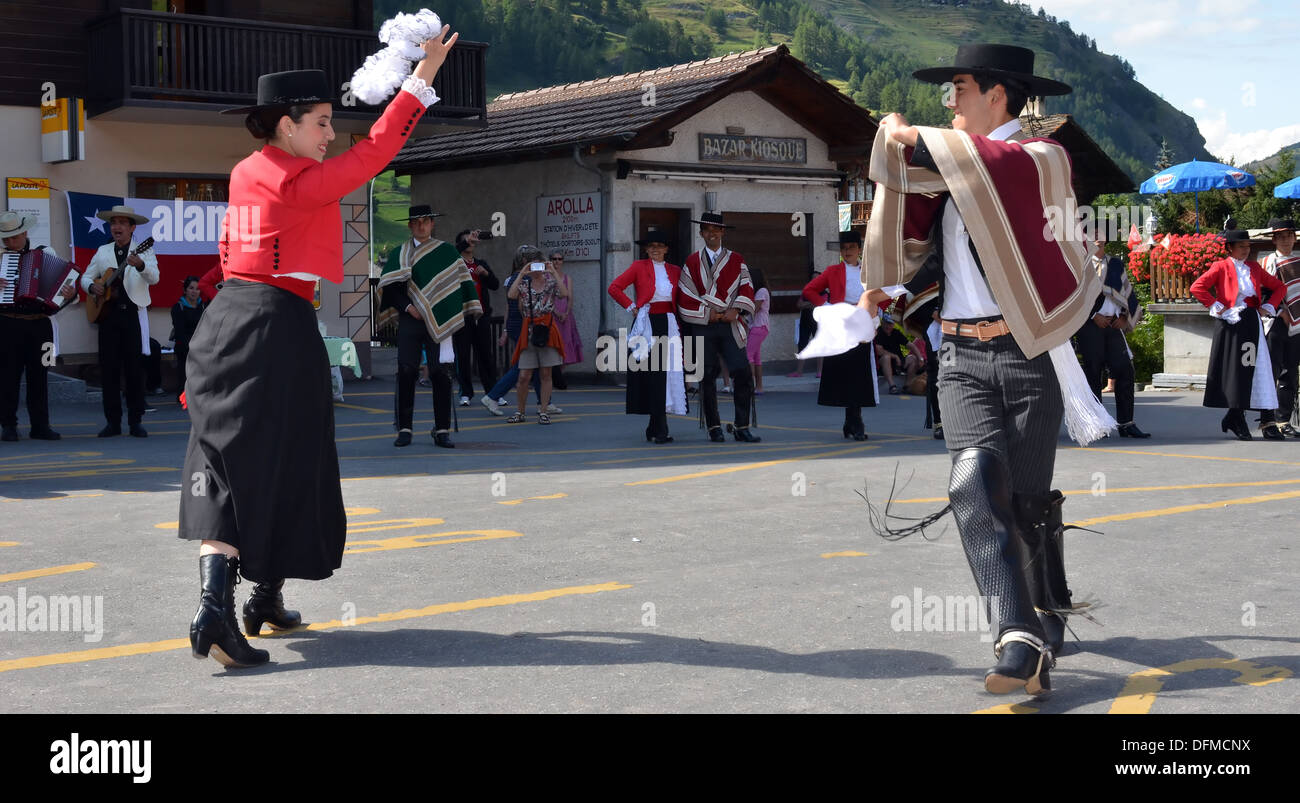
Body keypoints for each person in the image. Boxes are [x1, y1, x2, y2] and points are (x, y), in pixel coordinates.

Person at [181, 31, 459, 669]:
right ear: (287, 124)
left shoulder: (246, 172)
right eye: (323, 122)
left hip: (226, 320)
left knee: (226, 465)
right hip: (275, 323)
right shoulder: (297, 181)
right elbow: (380, 148)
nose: (332, 133)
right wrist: (423, 76)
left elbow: (228, 256)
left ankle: (239, 602)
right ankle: (239, 605)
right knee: (294, 459)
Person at [863, 44, 1109, 696]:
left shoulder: (1039, 160)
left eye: (961, 89)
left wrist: (916, 138)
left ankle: (1046, 602)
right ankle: (1018, 633)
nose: (951, 104)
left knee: (1023, 504)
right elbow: (910, 222)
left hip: (1031, 356)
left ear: (999, 95)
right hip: (961, 356)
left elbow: (996, 170)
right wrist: (882, 287)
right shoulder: (952, 169)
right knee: (974, 483)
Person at [377, 205, 480, 448]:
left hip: (441, 320)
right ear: (410, 226)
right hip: (410, 320)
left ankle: (442, 430)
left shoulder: (447, 252)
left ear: (433, 224)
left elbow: (460, 283)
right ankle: (404, 429)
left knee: (440, 373)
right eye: (417, 222)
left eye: (426, 221)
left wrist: (454, 311)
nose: (422, 225)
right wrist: (408, 308)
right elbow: (390, 288)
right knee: (406, 371)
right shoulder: (399, 253)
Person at [1190, 228, 1286, 440]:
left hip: (1251, 324)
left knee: (1255, 367)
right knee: (1238, 372)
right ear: (1229, 248)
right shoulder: (1221, 266)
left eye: (1248, 246)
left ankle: (1248, 418)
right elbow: (1198, 287)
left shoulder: (1254, 267)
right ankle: (1237, 416)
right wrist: (1219, 307)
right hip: (1232, 324)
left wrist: (1269, 306)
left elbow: (1279, 287)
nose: (1246, 250)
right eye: (1241, 246)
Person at [676, 212, 760, 442]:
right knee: (707, 376)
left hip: (730, 323)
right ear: (701, 233)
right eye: (706, 229)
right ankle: (714, 426)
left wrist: (738, 310)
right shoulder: (692, 261)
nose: (711, 233)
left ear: (723, 232)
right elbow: (685, 294)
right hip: (704, 324)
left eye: (716, 229)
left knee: (742, 372)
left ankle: (742, 426)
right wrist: (708, 314)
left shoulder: (736, 259)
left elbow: (746, 288)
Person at [80, 205, 160, 438]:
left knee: (134, 370)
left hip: (131, 315)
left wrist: (141, 265)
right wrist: (92, 286)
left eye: (122, 223)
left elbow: (155, 278)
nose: (117, 227)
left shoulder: (143, 251)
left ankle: (136, 421)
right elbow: (86, 277)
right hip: (107, 316)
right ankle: (112, 422)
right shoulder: (103, 250)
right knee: (109, 371)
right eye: (114, 223)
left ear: (132, 228)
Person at [0, 212, 79, 441]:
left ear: (24, 233)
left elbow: (65, 293)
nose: (8, 243)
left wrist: (70, 294)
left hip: (41, 327)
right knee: (7, 376)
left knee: (41, 375)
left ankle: (40, 425)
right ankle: (8, 425)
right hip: (7, 325)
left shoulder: (47, 253)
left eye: (13, 237)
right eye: (5, 238)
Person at [608, 227, 685, 443]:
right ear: (646, 250)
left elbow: (684, 297)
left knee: (666, 374)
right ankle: (659, 428)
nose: (655, 250)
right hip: (647, 323)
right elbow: (614, 288)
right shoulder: (638, 267)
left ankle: (655, 426)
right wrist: (632, 306)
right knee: (653, 375)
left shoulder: (676, 270)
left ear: (666, 249)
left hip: (669, 323)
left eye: (659, 246)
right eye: (651, 247)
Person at [803, 230, 876, 441]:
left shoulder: (869, 271)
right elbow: (809, 290)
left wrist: (876, 310)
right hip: (842, 325)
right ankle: (853, 422)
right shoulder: (833, 271)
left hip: (862, 323)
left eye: (852, 247)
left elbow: (883, 292)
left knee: (859, 374)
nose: (847, 252)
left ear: (859, 249)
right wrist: (828, 306)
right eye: (844, 248)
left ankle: (854, 420)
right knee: (845, 374)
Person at [1077, 237, 1150, 438]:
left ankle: (1126, 423)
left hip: (1114, 324)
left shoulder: (1116, 264)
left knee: (1125, 370)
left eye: (1101, 234)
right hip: (1090, 326)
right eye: (1092, 235)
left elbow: (1127, 293)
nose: (1097, 239)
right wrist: (1093, 315)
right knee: (1093, 373)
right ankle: (1097, 425)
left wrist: (1126, 317)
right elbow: (1075, 296)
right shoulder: (1080, 265)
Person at [505, 245, 567, 424]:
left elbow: (564, 294)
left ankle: (543, 410)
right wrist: (522, 273)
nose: (537, 267)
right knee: (524, 375)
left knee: (546, 373)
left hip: (547, 330)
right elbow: (511, 294)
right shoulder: (524, 284)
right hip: (529, 331)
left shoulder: (549, 282)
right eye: (533, 264)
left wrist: (553, 272)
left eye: (539, 263)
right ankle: (520, 412)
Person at [1261, 218, 1300, 436]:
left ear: (1295, 238)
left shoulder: (1299, 261)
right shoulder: (1267, 263)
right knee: (1273, 370)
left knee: (1290, 371)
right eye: (1281, 237)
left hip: (1297, 326)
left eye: (1289, 236)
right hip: (1276, 323)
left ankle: (1284, 419)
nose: (1286, 241)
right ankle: (1269, 419)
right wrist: (1280, 312)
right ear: (1274, 240)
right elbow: (1262, 294)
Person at [452, 229, 498, 405]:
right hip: (463, 315)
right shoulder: (456, 263)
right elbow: (453, 253)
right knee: (463, 355)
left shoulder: (481, 263)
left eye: (473, 241)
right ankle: (465, 393)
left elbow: (495, 285)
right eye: (467, 241)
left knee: (486, 355)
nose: (471, 243)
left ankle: (493, 393)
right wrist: (466, 240)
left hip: (482, 316)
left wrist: (486, 274)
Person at [170, 276, 205, 406]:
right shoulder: (178, 308)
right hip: (185, 346)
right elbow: (180, 332)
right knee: (184, 374)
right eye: (191, 288)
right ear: (185, 290)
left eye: (197, 289)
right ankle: (183, 397)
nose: (194, 291)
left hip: (202, 346)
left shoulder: (204, 307)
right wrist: (193, 347)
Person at [549, 249, 582, 390]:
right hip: (552, 315)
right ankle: (554, 377)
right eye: (554, 259)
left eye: (559, 259)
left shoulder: (567, 278)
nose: (557, 261)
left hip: (565, 316)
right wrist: (556, 312)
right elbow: (547, 299)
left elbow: (570, 297)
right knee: (553, 345)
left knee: (565, 343)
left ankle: (558, 374)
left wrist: (566, 312)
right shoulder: (547, 277)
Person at [747, 266, 770, 394]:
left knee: (748, 355)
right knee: (756, 357)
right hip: (758, 326)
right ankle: (759, 386)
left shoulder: (761, 291)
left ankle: (749, 385)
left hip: (759, 326)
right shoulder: (760, 291)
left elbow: (754, 309)